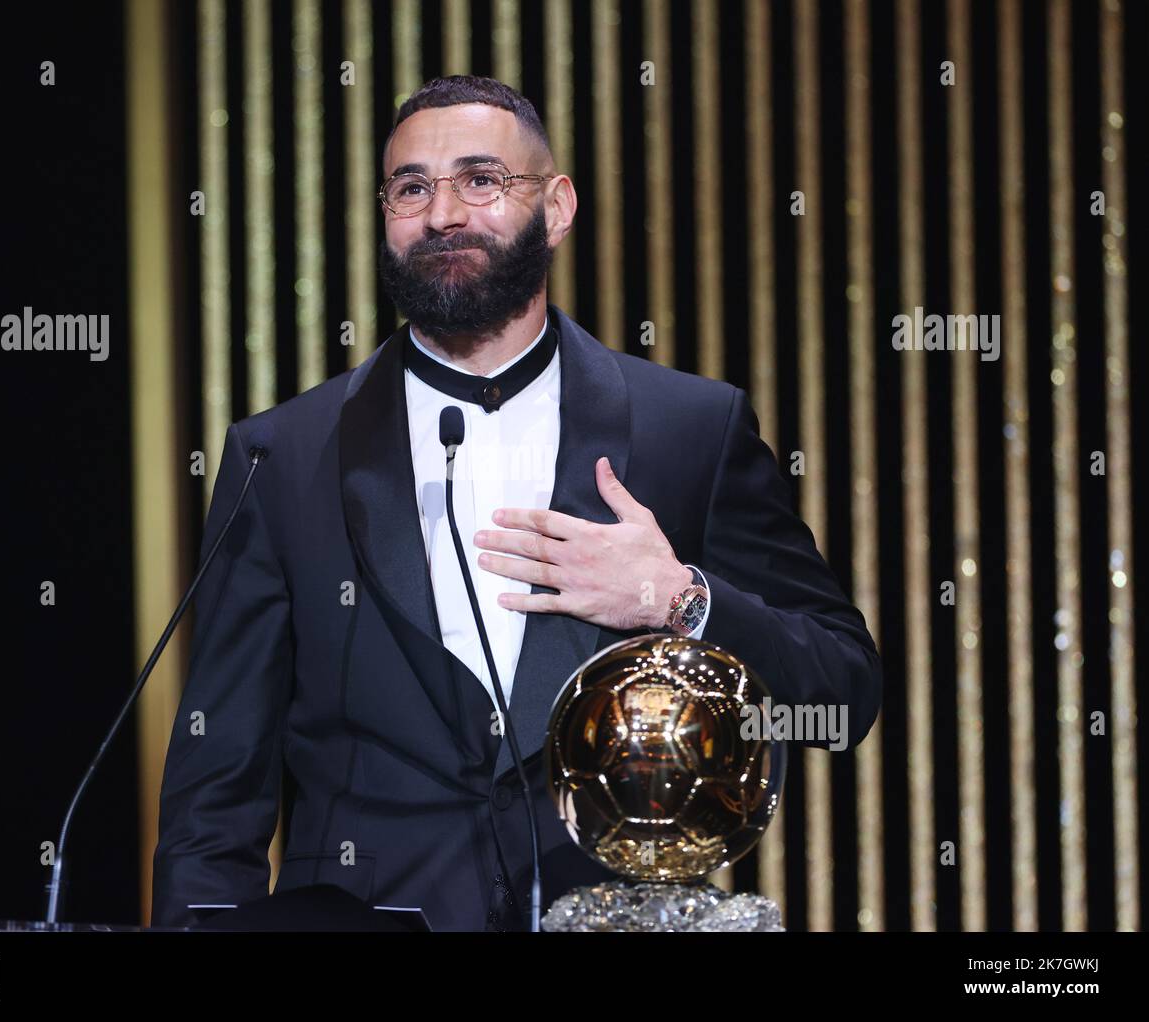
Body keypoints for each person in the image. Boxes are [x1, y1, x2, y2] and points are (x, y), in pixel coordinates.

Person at [152, 75, 882, 932]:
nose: (443, 214)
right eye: (411, 188)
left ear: (559, 206)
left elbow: (843, 691)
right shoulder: (281, 455)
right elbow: (216, 792)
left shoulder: (692, 428)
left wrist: (680, 599)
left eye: (481, 180)